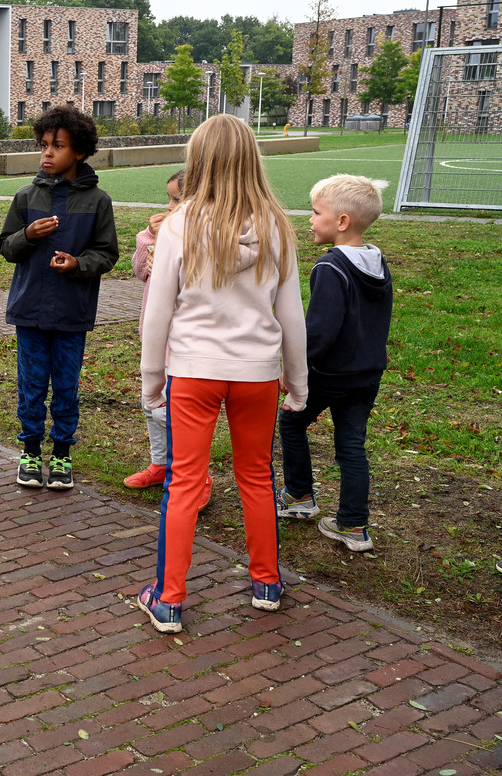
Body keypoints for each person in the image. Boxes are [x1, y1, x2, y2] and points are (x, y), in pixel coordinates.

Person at [134, 114, 307, 634]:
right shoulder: (277, 224)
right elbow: (292, 313)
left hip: (194, 372)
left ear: (198, 161)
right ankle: (267, 583)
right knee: (256, 476)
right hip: (256, 373)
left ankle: (167, 599)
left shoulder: (181, 224)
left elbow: (158, 311)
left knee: (184, 482)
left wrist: (151, 378)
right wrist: (297, 382)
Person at [0, 106, 119, 490]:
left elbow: (107, 253)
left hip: (71, 314)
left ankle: (63, 454)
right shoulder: (25, 196)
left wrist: (78, 263)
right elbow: (6, 247)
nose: (47, 153)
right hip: (30, 313)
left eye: (58, 146)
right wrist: (28, 236)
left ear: (79, 151)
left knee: (66, 388)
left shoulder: (98, 201)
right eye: (44, 145)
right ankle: (30, 451)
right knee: (31, 386)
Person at [277, 174, 393, 553]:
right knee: (351, 446)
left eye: (315, 213)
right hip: (368, 374)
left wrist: (293, 372)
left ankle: (298, 497)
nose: (309, 220)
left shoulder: (330, 268)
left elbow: (320, 331)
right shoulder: (378, 262)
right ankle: (354, 525)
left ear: (341, 221)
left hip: (330, 374)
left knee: (292, 422)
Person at [123, 170, 184, 490]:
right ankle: (160, 464)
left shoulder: (197, 238)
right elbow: (139, 272)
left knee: (174, 411)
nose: (168, 206)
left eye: (176, 199)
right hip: (154, 337)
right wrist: (148, 237)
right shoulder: (162, 233)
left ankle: (191, 473)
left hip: (183, 342)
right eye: (169, 198)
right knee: (151, 403)